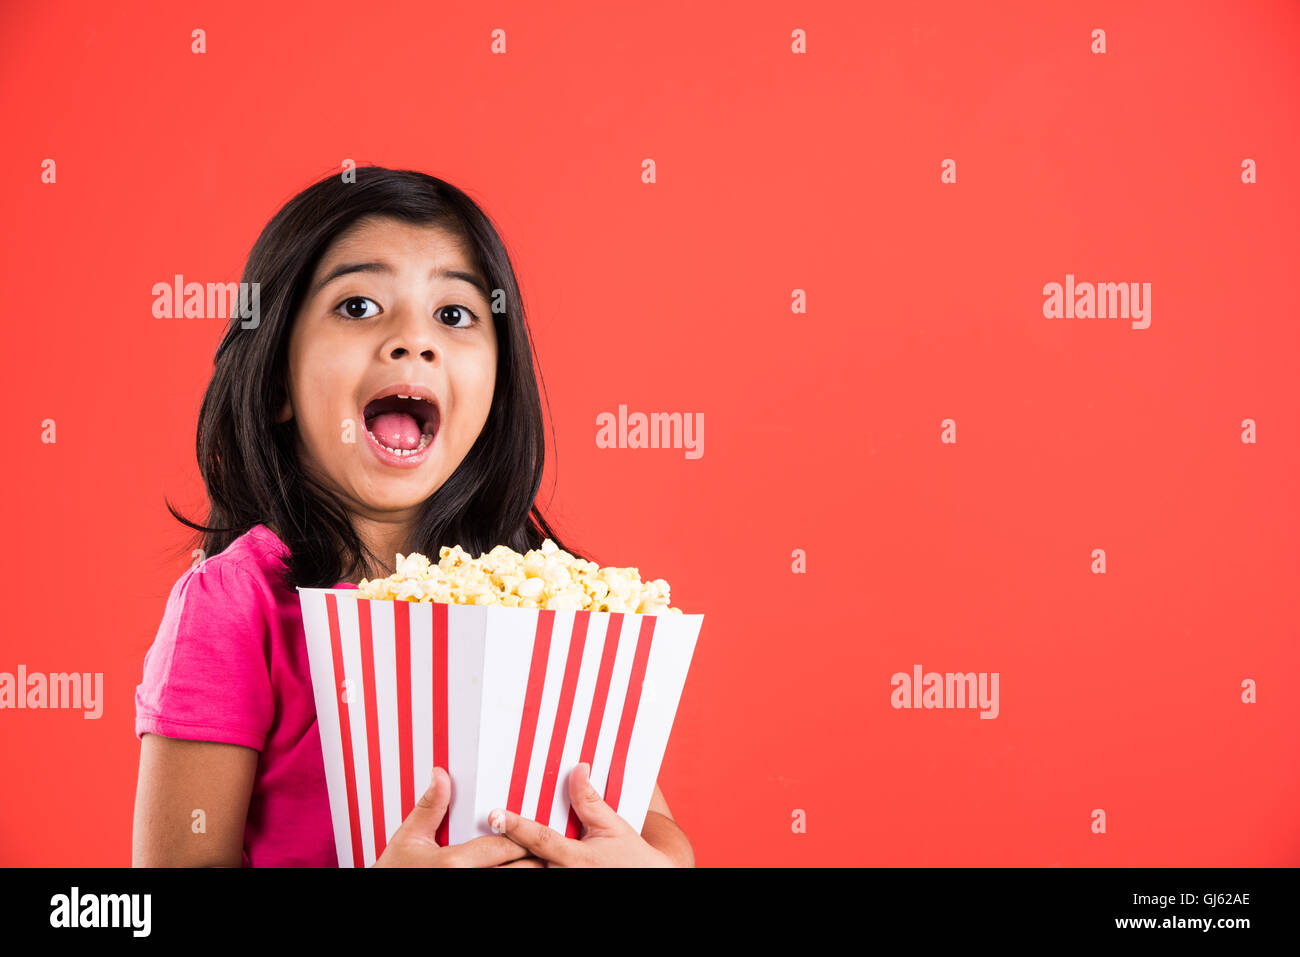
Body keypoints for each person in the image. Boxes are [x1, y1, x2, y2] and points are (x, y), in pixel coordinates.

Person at [131, 166, 694, 868]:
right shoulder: (237, 605)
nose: (413, 341)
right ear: (278, 379)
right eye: (359, 306)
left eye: (454, 315)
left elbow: (654, 828)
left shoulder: (551, 603)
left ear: (498, 382)